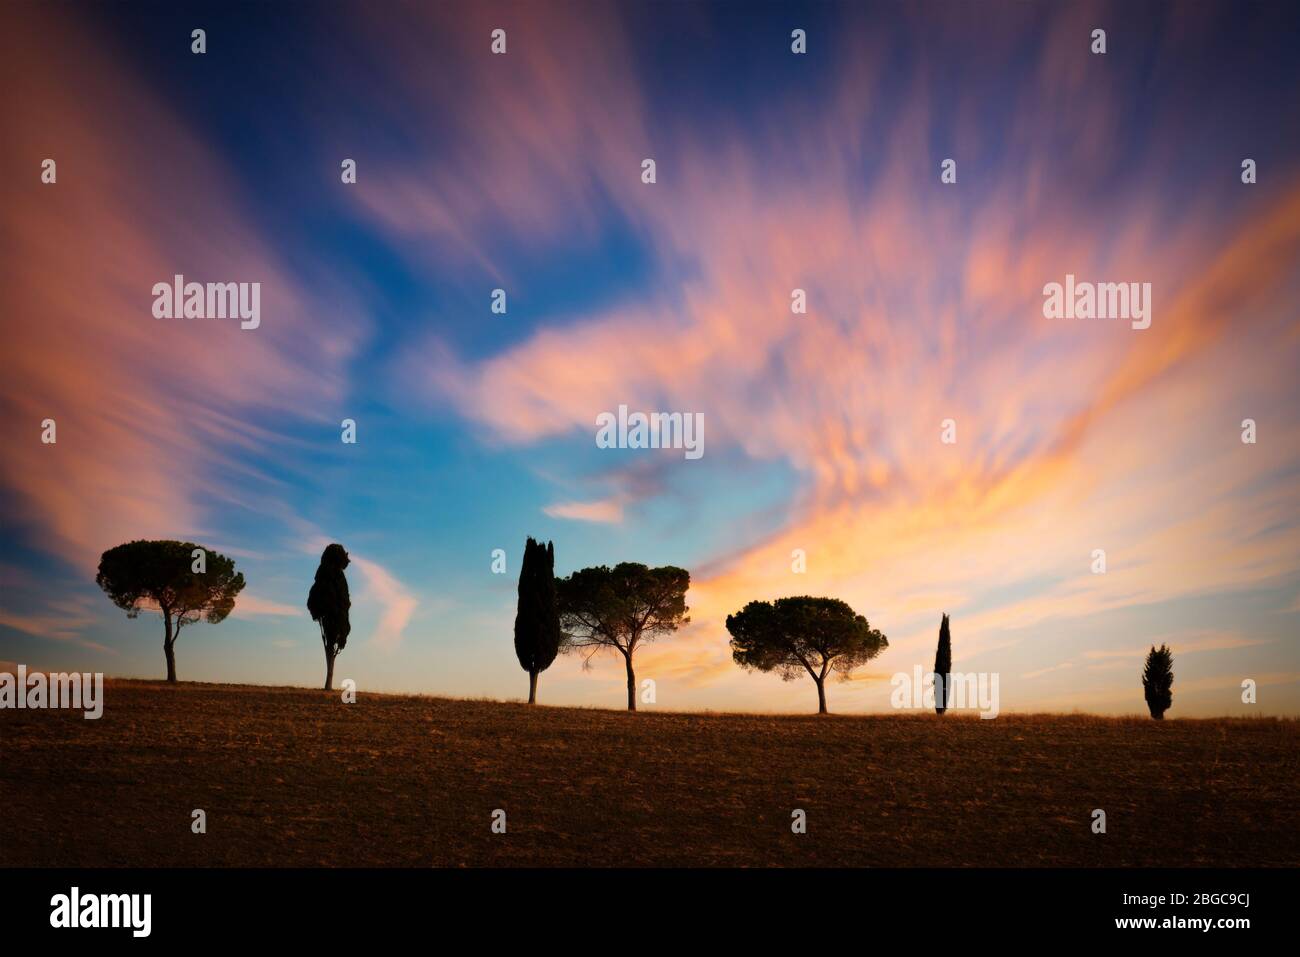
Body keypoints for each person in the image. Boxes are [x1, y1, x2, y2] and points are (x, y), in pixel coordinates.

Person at [307, 543, 351, 689]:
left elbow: (343, 601)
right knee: (329, 643)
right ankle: (329, 682)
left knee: (330, 644)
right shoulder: (326, 575)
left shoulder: (332, 576)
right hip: (330, 614)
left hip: (334, 614)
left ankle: (329, 682)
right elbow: (339, 600)